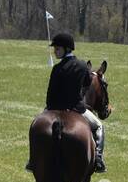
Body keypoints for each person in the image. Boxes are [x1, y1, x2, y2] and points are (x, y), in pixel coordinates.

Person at [26, 31, 105, 173]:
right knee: (99, 126)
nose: (55, 51)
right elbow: (87, 83)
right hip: (77, 108)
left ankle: (32, 160)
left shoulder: (57, 68)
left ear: (67, 49)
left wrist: (49, 108)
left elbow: (50, 93)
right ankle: (98, 159)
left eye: (57, 49)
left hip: (53, 108)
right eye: (55, 49)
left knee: (35, 125)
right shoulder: (82, 66)